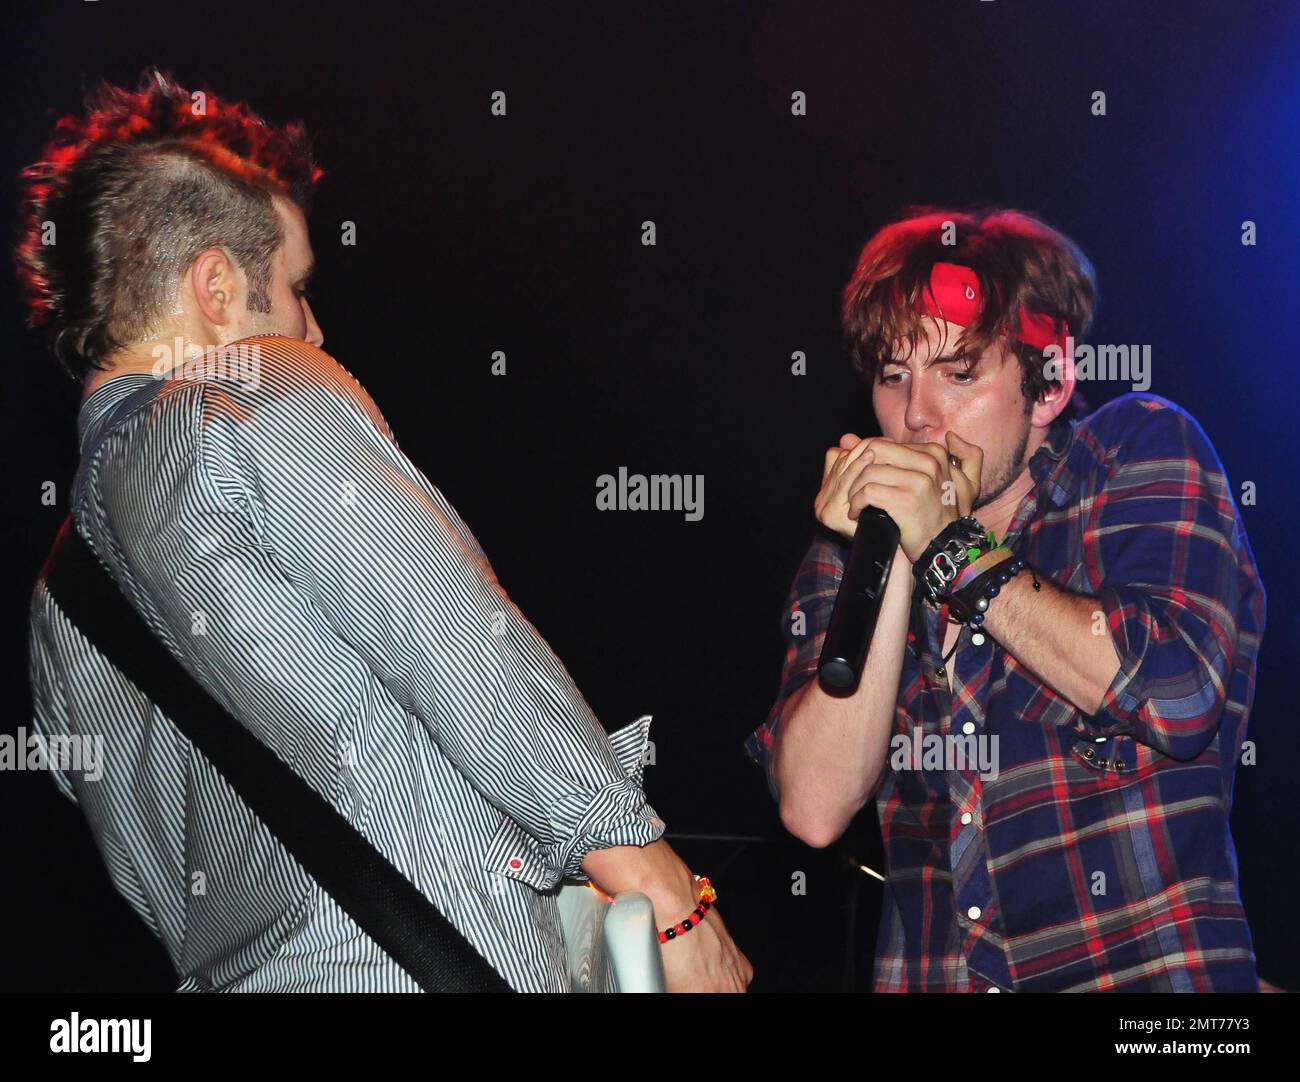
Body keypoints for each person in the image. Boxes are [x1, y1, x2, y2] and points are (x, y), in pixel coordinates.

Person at [19, 68, 750, 993]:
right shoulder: (251, 391)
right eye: (293, 290)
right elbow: (462, 654)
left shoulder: (54, 611)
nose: (314, 330)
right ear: (215, 286)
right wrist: (664, 889)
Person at [746, 207, 1265, 992]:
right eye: (893, 375)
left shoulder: (1133, 453)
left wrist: (952, 551)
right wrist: (893, 554)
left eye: (958, 373)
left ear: (1048, 381)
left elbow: (1178, 692)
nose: (916, 415)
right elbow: (814, 808)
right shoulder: (848, 549)